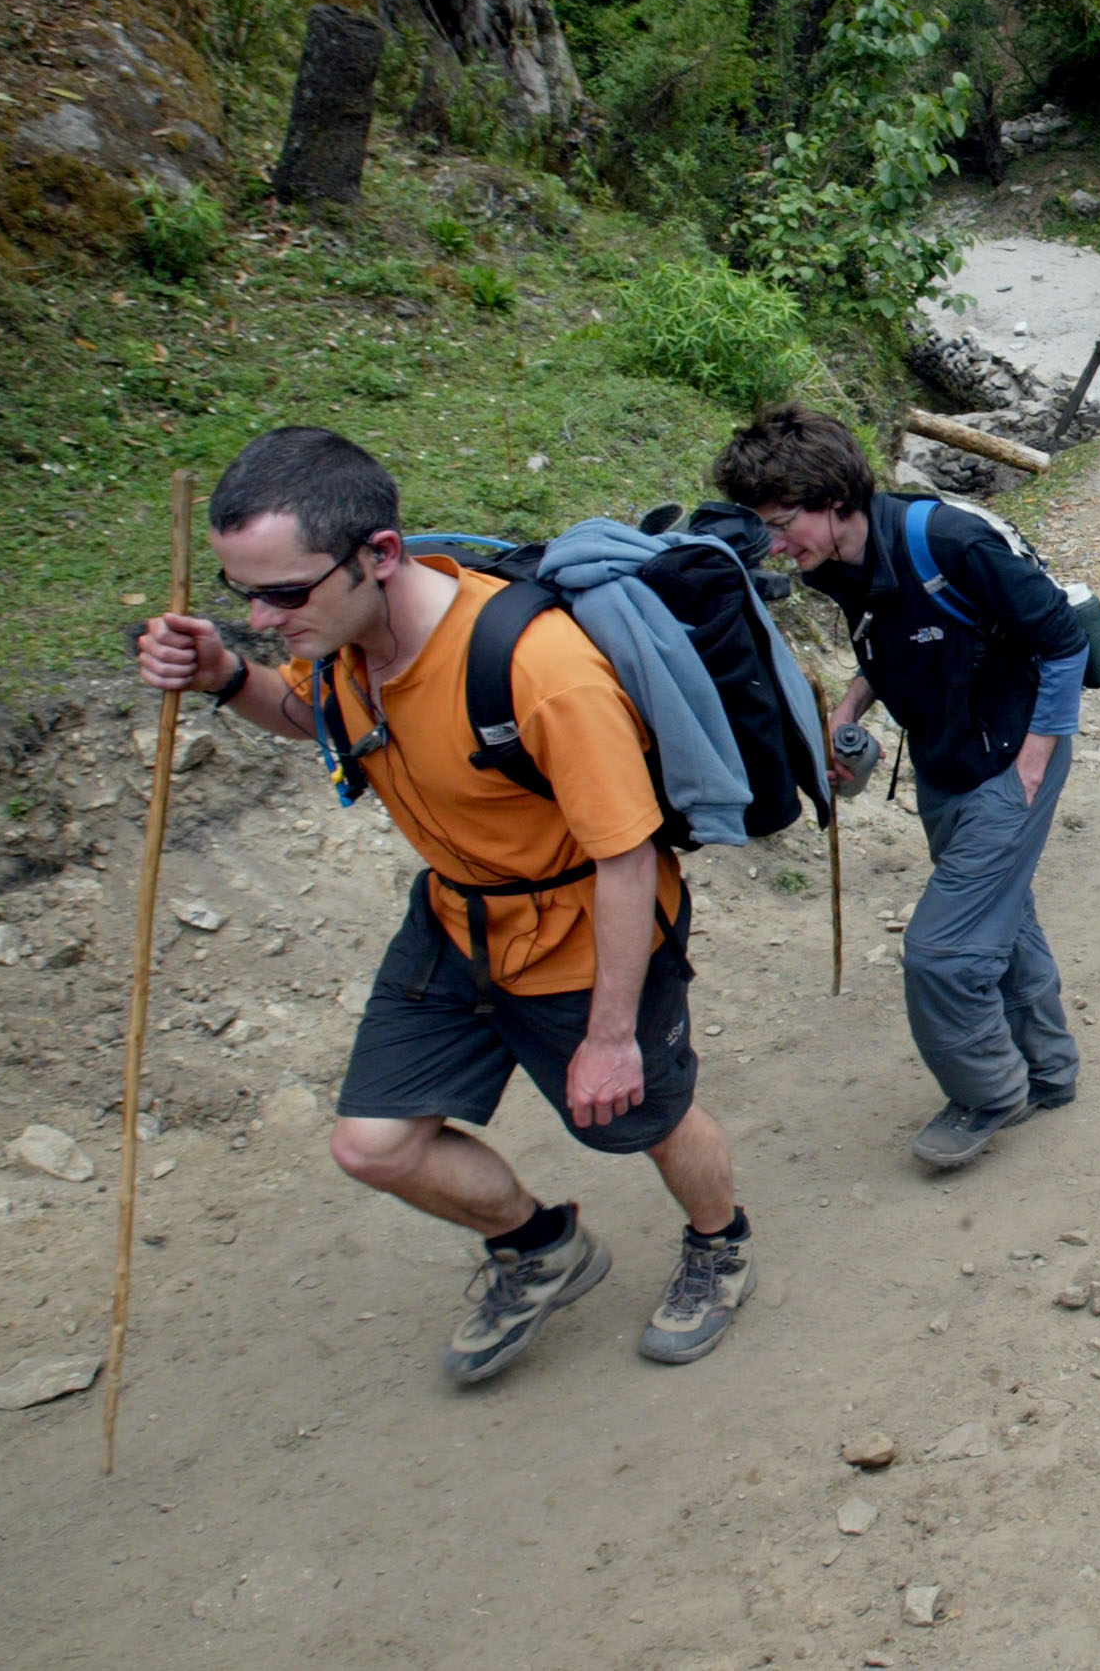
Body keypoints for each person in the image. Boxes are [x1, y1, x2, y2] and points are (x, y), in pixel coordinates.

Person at [133, 428, 751, 1384]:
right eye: (241, 594)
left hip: (584, 929)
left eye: (283, 593)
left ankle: (721, 1243)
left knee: (644, 1116)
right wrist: (223, 677)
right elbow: (314, 720)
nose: (260, 618)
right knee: (373, 1144)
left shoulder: (539, 670)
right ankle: (541, 1246)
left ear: (380, 556)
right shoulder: (341, 641)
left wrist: (614, 1035)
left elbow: (626, 857)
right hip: (455, 919)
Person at [712, 406, 1088, 1172]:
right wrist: (848, 711)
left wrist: (1035, 762)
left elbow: (1063, 639)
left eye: (786, 521)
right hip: (945, 765)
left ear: (836, 499)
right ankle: (1051, 1072)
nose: (778, 543)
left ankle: (990, 1092)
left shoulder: (949, 543)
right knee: (1003, 922)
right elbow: (884, 648)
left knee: (941, 953)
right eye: (767, 526)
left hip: (1012, 761)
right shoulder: (840, 569)